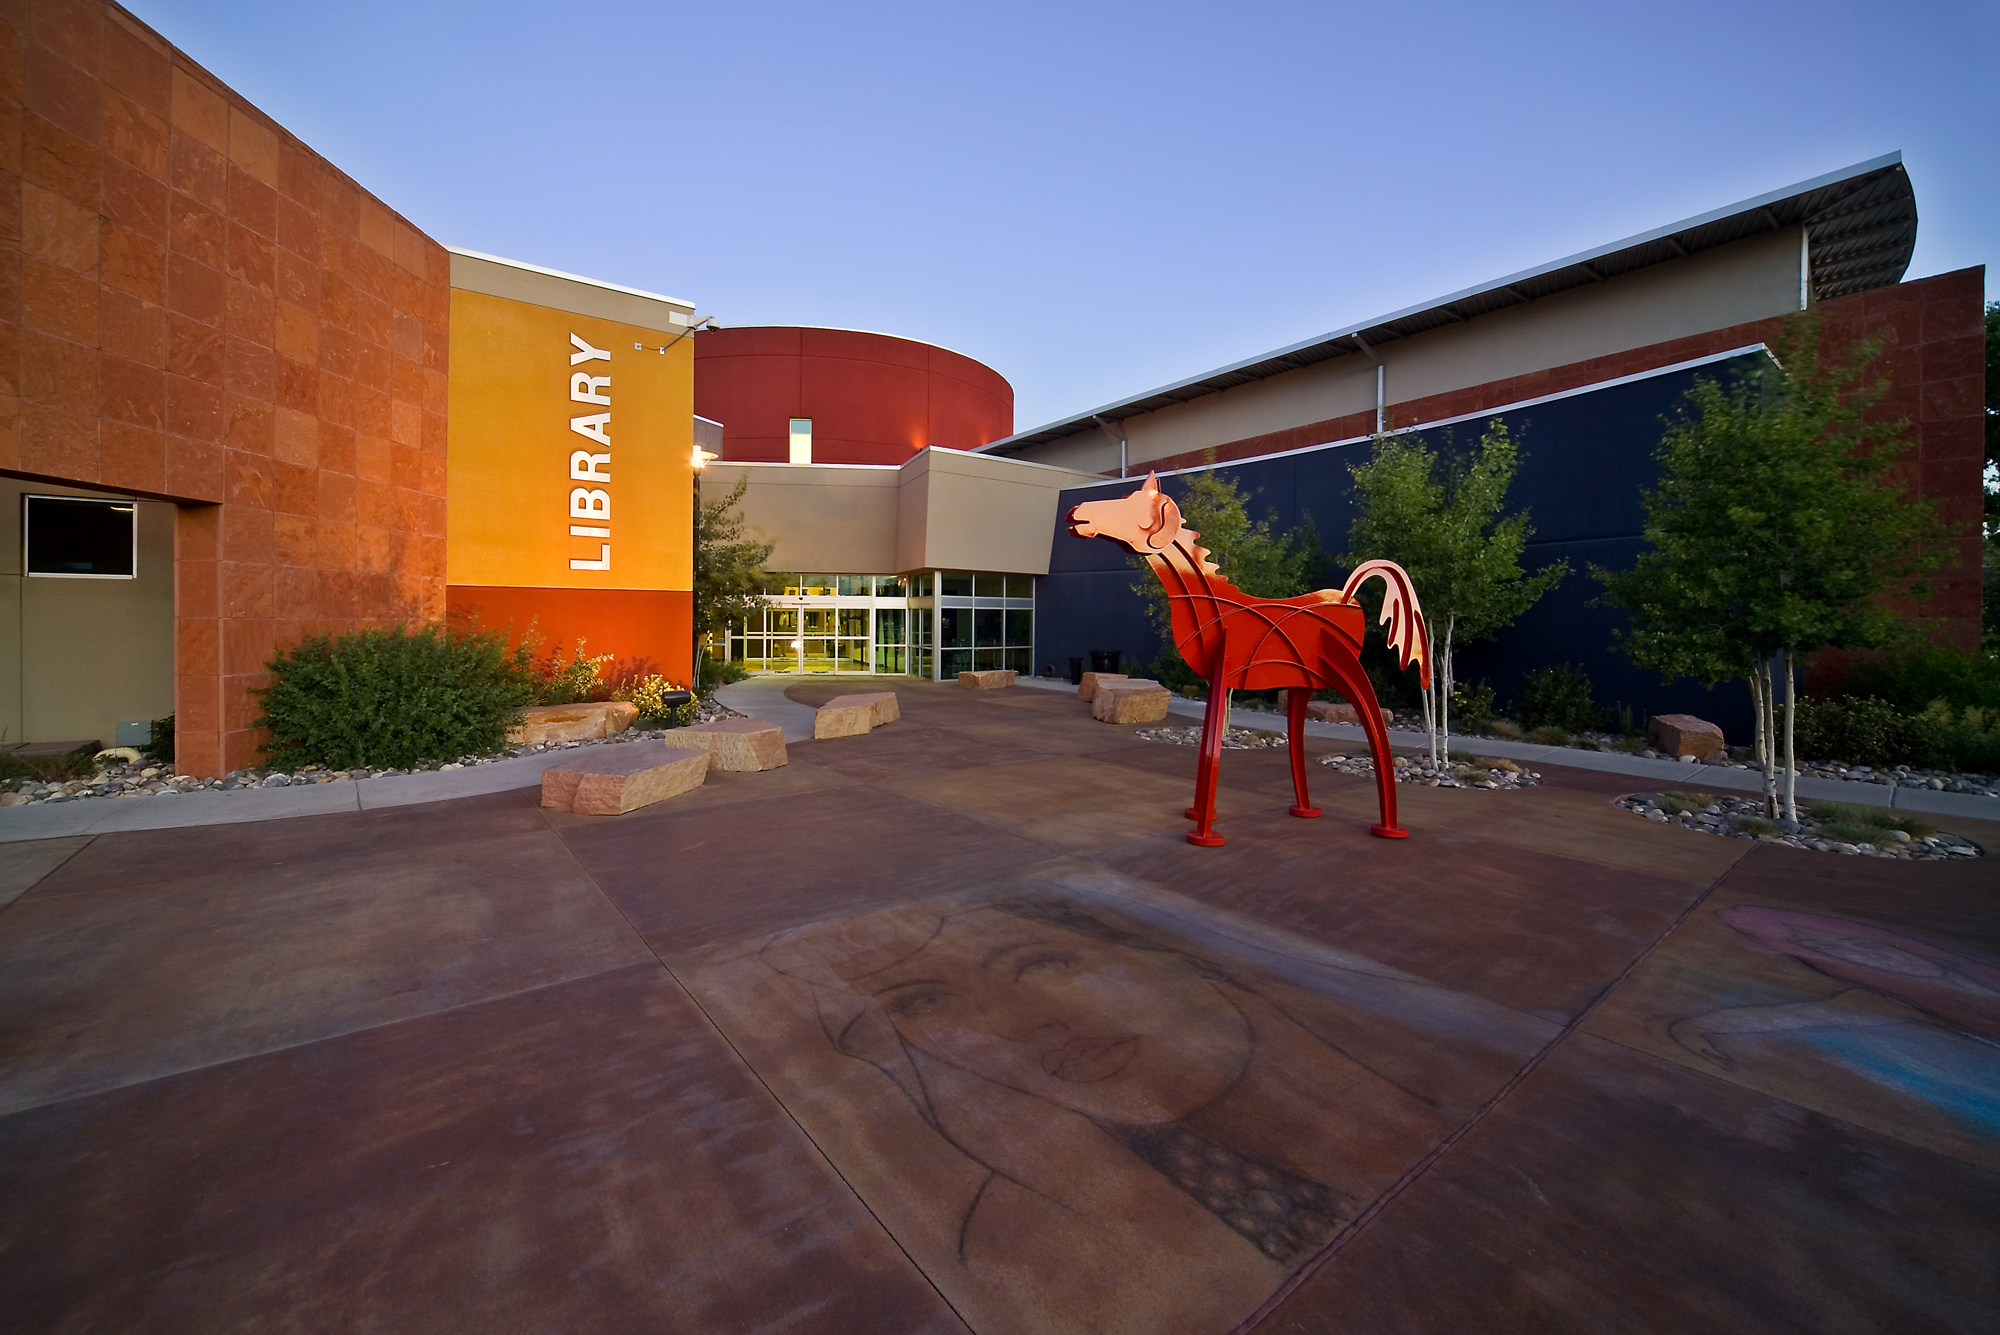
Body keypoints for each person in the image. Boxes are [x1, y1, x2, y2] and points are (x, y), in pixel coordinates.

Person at [760, 894, 1451, 1297]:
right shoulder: (1024, 1251)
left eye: (1045, 962)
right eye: (927, 1004)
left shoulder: (1407, 1116)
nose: (1027, 1018)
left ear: (1167, 955)